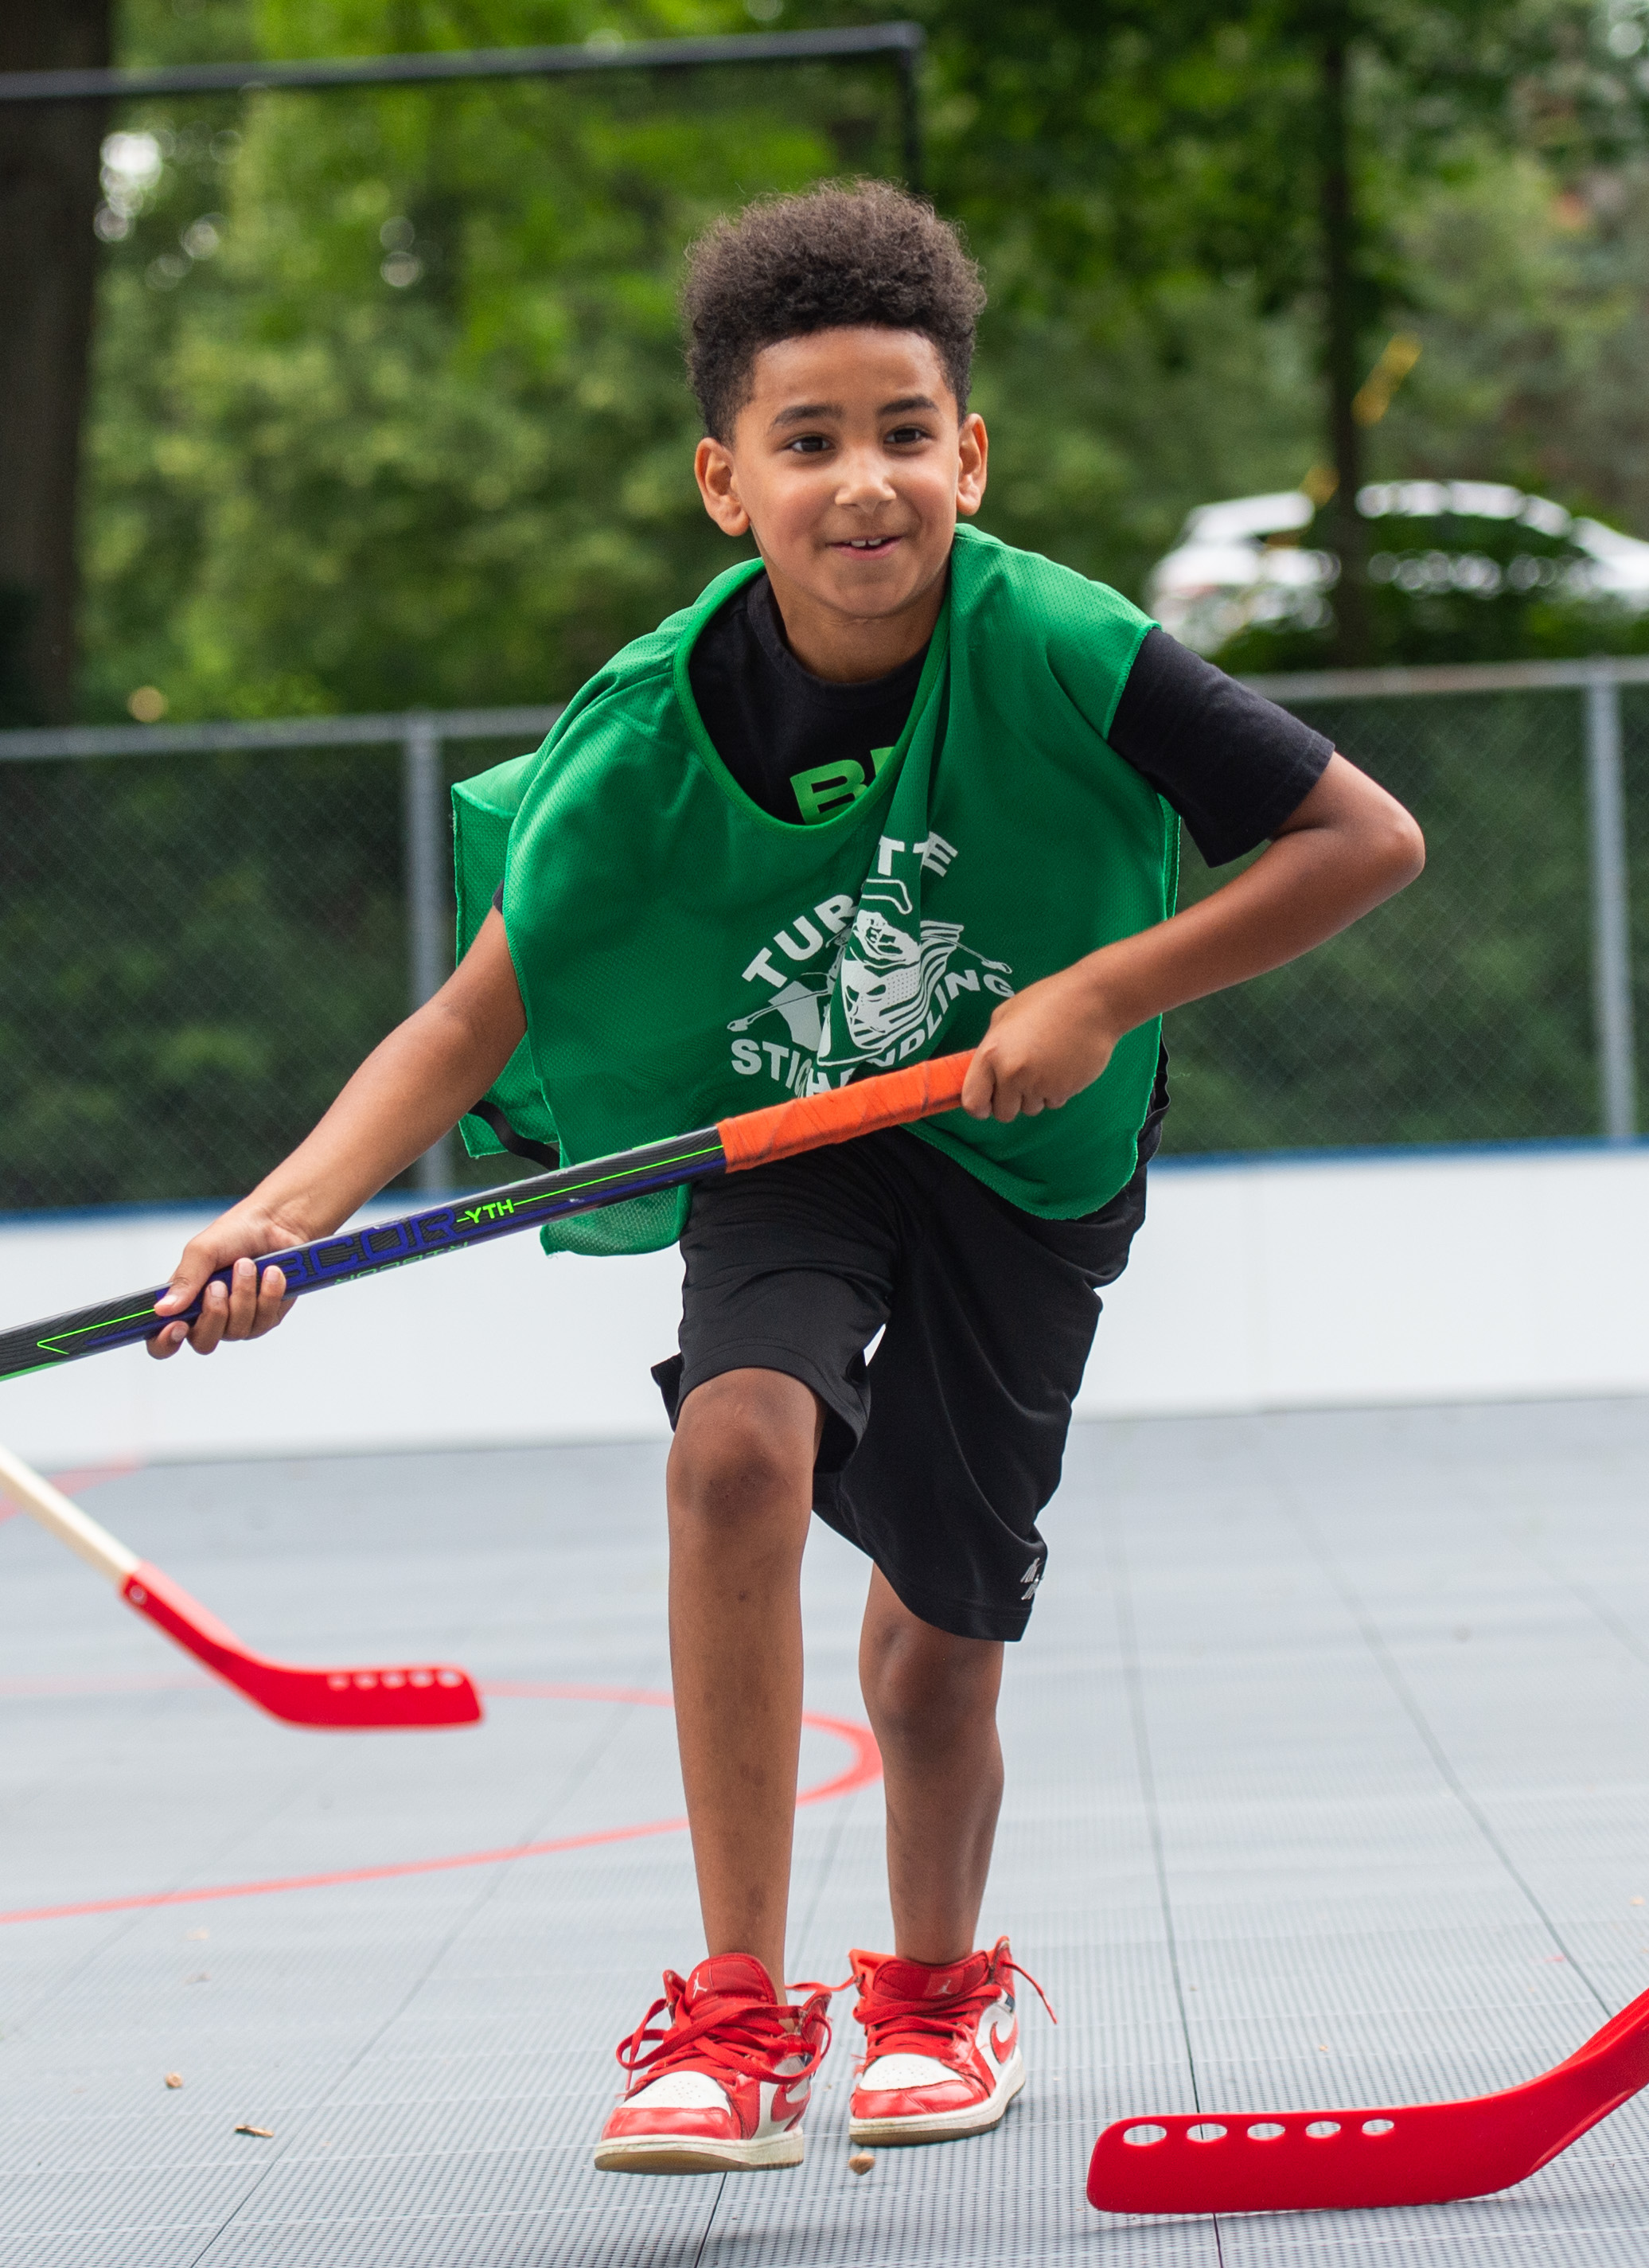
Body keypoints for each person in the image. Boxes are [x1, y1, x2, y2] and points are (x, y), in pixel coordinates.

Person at [148, 181, 1425, 2176]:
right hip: (789, 1133)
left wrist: (1099, 988)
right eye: (807, 442)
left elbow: (1365, 843)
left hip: (1028, 1160)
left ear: (968, 454)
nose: (863, 483)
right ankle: (733, 2013)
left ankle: (936, 1991)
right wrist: (281, 1216)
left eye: (904, 433)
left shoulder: (1068, 642)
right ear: (723, 482)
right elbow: (465, 1024)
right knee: (730, 1449)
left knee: (934, 1646)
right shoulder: (648, 736)